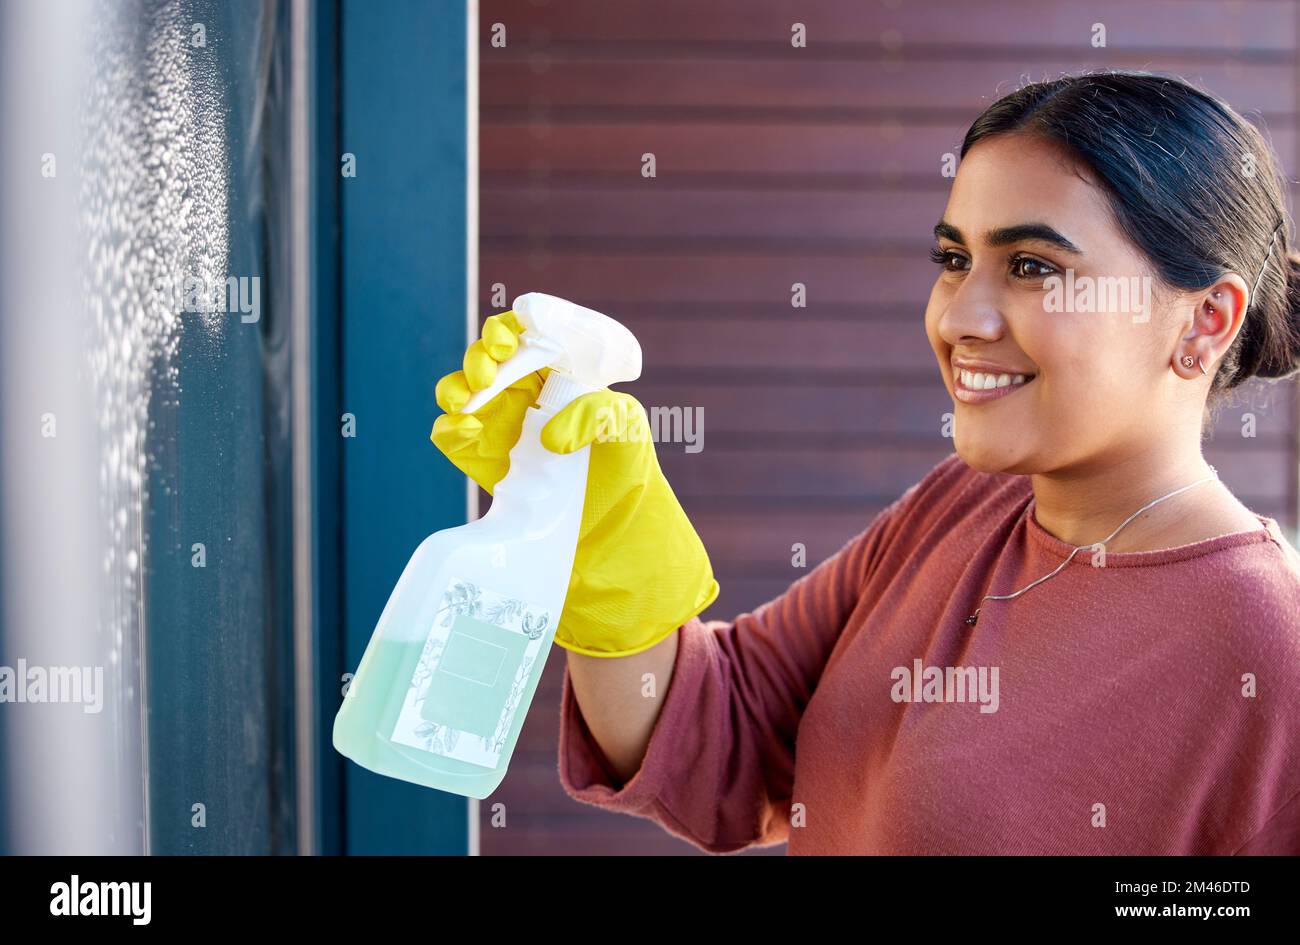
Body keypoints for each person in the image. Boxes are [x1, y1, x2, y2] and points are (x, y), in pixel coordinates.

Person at [433, 71, 1300, 855]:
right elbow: (719, 732)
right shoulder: (965, 506)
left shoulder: (1268, 643)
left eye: (1034, 267)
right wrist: (600, 535)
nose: (964, 316)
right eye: (955, 260)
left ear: (1205, 321)